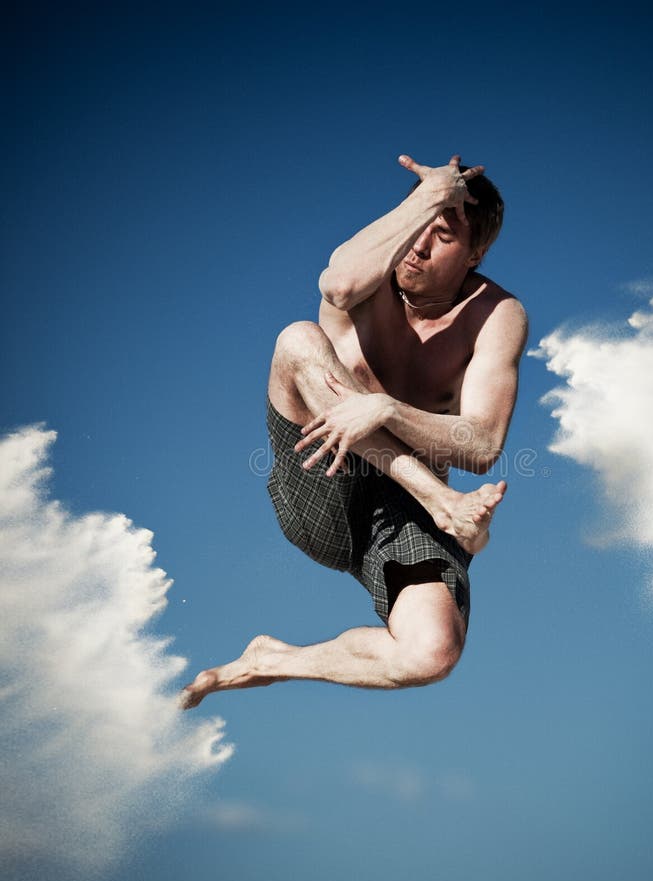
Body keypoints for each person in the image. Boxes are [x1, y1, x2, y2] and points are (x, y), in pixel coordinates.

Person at [181, 154, 528, 707]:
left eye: (441, 235)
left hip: (401, 514)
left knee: (431, 654)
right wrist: (429, 196)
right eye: (414, 226)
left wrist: (386, 409)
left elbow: (483, 444)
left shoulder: (496, 314)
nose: (417, 246)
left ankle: (272, 660)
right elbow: (337, 286)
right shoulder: (366, 278)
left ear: (476, 253)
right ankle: (438, 498)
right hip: (322, 472)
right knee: (297, 338)